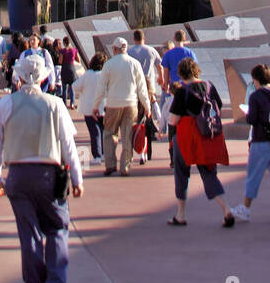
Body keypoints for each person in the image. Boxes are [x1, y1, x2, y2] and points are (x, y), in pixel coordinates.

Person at [0, 53, 83, 283]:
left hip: (18, 175)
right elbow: (68, 144)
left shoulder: (6, 104)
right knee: (57, 226)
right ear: (44, 77)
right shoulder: (55, 104)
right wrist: (76, 178)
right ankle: (54, 280)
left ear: (18, 76)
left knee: (28, 231)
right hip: (48, 174)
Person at [166, 57, 234, 228]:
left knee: (181, 173)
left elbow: (174, 120)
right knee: (209, 173)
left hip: (187, 136)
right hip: (208, 134)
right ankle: (226, 208)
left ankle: (180, 214)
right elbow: (217, 106)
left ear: (181, 73)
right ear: (197, 70)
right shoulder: (210, 86)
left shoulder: (182, 92)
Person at [230, 64, 270, 224]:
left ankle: (246, 209)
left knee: (254, 176)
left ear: (256, 79)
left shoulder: (256, 96)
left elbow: (252, 119)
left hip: (261, 139)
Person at [97, 36, 151, 176]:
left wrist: (96, 105)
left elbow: (101, 87)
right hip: (131, 103)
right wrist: (147, 106)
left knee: (109, 133)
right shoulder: (135, 64)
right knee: (128, 136)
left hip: (113, 104)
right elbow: (142, 88)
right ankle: (125, 166)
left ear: (114, 49)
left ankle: (110, 164)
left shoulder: (109, 64)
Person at [75, 53, 107, 165]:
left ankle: (97, 155)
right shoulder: (105, 74)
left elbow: (75, 86)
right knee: (103, 130)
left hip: (89, 107)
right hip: (104, 106)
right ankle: (104, 153)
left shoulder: (88, 74)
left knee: (94, 132)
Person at [160, 29, 191, 94]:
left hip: (173, 87)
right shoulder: (190, 53)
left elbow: (166, 72)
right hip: (187, 87)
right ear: (184, 39)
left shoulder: (168, 54)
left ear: (174, 38)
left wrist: (166, 87)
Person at [58, 37, 80, 108]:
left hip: (65, 69)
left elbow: (60, 61)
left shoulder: (62, 51)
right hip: (72, 69)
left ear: (64, 43)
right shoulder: (74, 50)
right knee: (72, 87)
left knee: (64, 88)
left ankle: (64, 104)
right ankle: (72, 103)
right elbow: (78, 60)